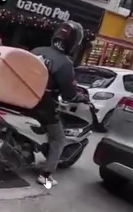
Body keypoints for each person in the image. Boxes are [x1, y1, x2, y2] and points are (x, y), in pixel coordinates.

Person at [29, 21, 90, 189]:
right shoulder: (65, 63)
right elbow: (69, 94)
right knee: (59, 139)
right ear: (74, 42)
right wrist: (80, 97)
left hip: (22, 99)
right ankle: (45, 175)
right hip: (43, 106)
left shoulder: (36, 51)